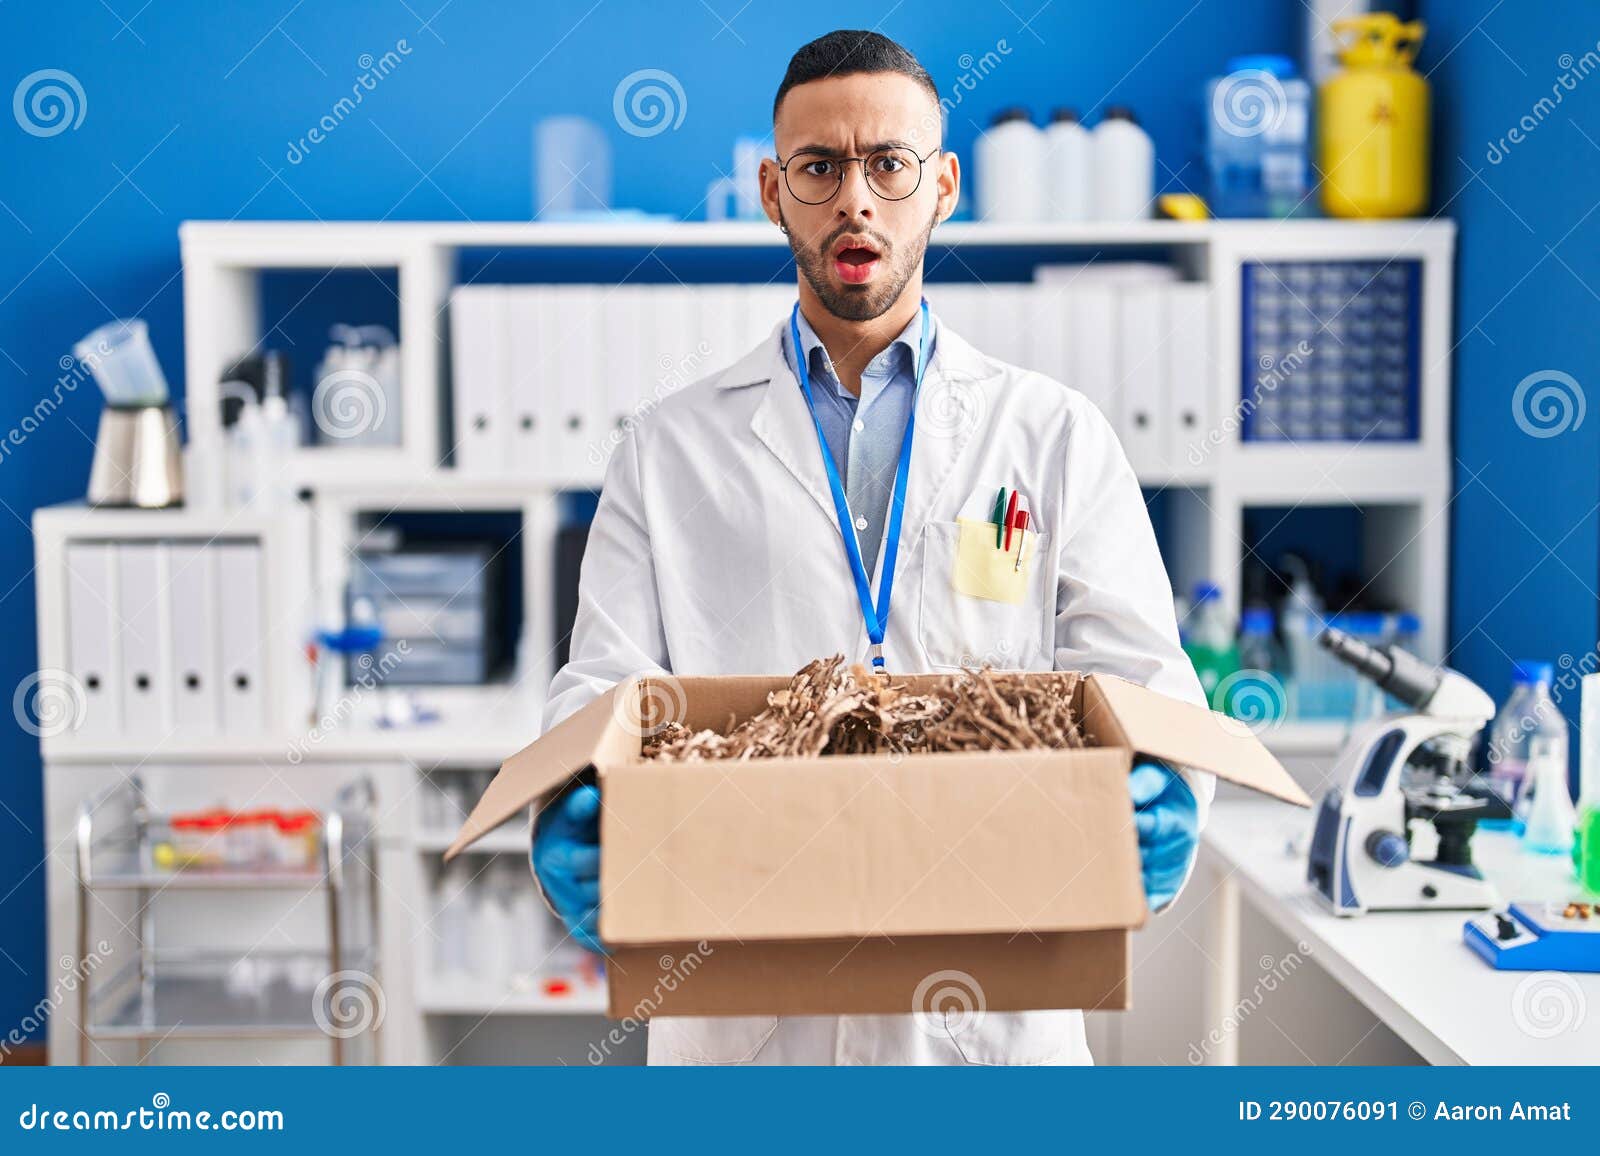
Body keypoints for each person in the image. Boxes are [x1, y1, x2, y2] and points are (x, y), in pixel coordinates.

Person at [531, 29, 1211, 1065]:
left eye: (889, 166)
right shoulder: (665, 447)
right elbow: (606, 679)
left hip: (991, 1005)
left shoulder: (1053, 433)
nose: (855, 199)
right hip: (751, 1012)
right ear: (772, 189)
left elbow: (1145, 678)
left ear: (941, 187)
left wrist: (1160, 786)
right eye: (819, 168)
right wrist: (573, 796)